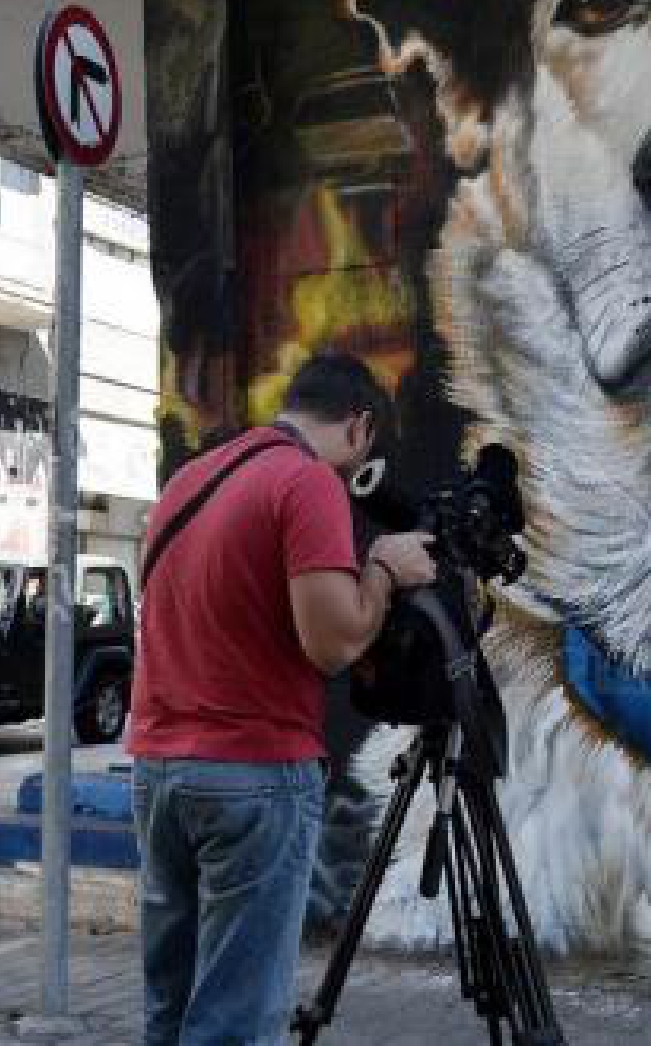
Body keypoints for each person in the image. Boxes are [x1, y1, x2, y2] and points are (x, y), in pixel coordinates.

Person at [129, 353, 437, 1044]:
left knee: (169, 1013)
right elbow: (335, 641)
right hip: (253, 774)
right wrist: (383, 569)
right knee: (235, 1023)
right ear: (358, 427)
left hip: (159, 772)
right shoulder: (307, 482)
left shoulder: (190, 480)